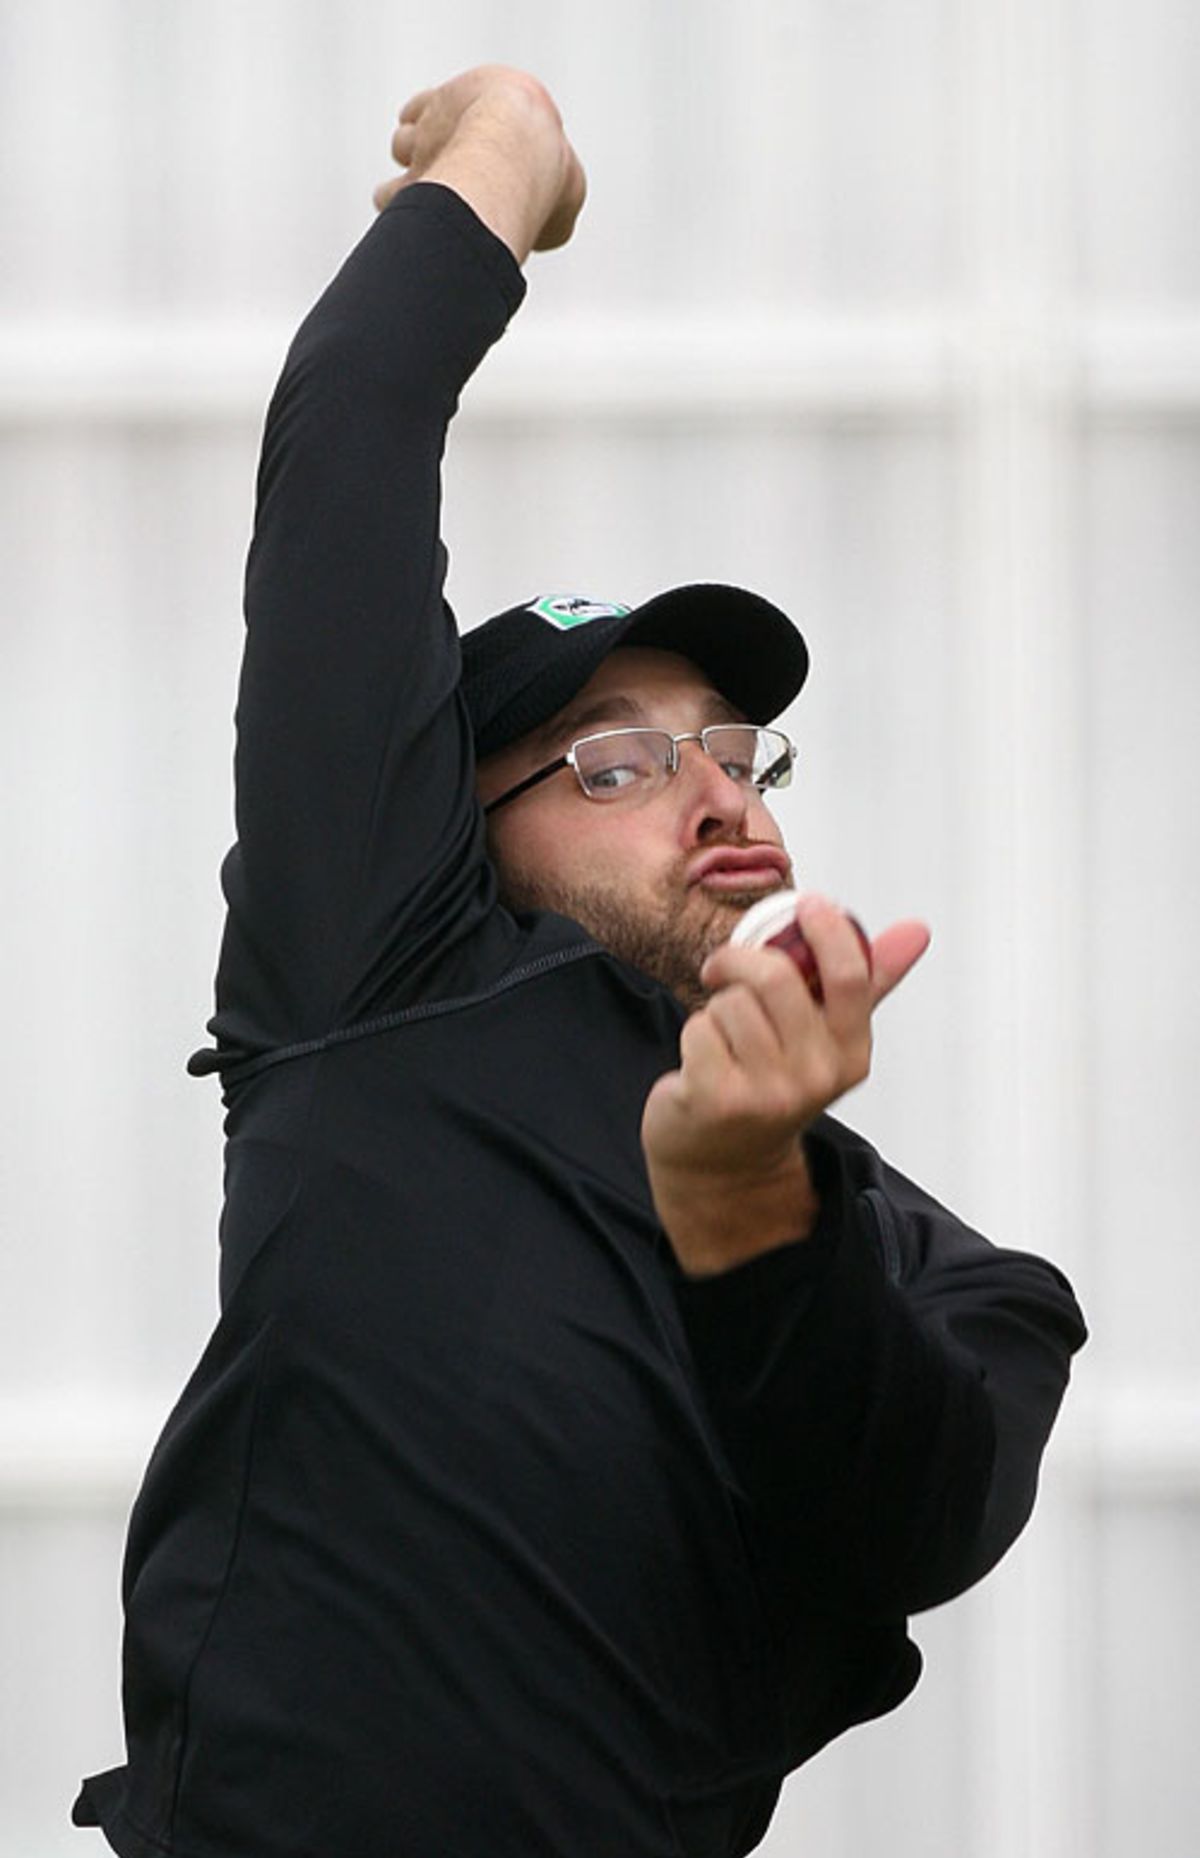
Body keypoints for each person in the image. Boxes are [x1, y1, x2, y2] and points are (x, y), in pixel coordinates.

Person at [73, 66, 1086, 1858]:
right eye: (614, 761)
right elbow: (352, 431)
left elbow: (914, 1517)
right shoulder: (388, 971)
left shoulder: (938, 1268)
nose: (717, 791)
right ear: (455, 828)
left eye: (739, 754)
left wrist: (746, 1198)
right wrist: (507, 149)